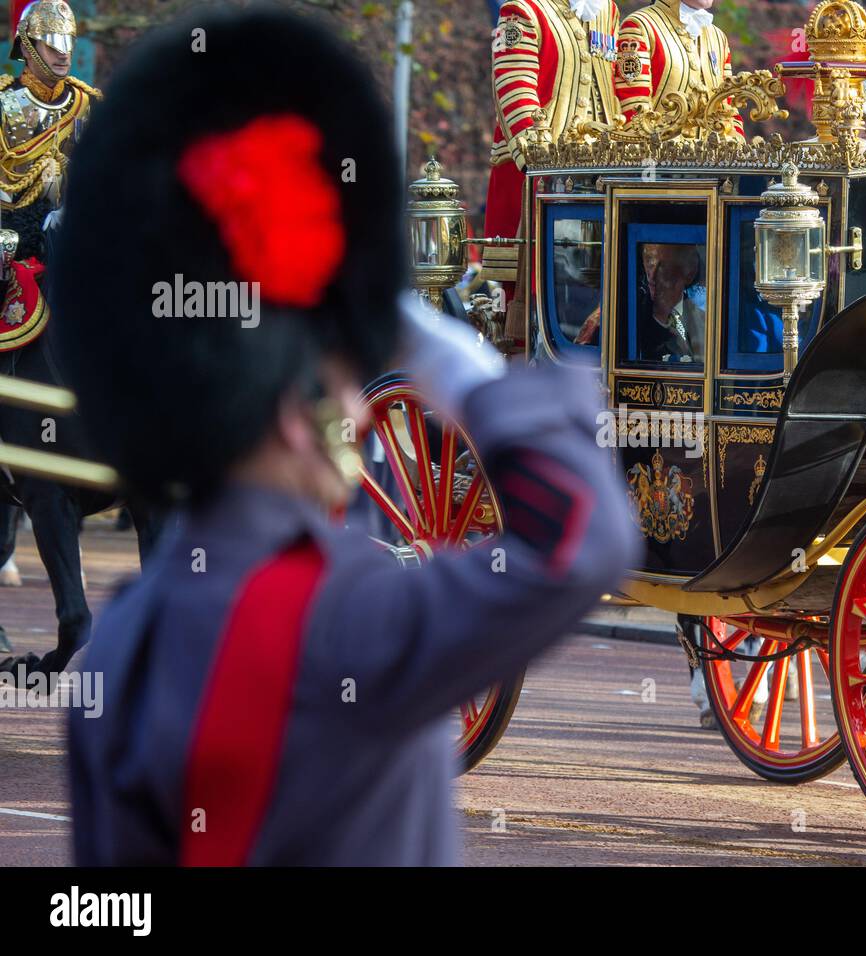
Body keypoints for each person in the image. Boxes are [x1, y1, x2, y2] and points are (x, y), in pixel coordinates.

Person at [54, 7, 638, 866]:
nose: (364, 414)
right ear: (297, 411)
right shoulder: (351, 612)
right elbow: (584, 540)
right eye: (342, 388)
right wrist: (464, 368)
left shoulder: (122, 643)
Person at [485, 0, 621, 304]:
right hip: (537, 181)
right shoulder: (521, 11)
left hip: (601, 179)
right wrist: (545, 167)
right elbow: (515, 92)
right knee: (531, 299)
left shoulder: (607, 11)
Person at [0, 0, 96, 346]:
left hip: (71, 237)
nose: (63, 53)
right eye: (53, 44)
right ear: (27, 46)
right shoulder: (3, 103)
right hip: (10, 237)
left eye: (68, 42)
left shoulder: (86, 104)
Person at [614, 0, 742, 137]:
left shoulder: (718, 37)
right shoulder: (640, 26)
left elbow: (730, 111)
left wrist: (737, 147)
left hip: (712, 155)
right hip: (656, 153)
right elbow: (634, 113)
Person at [637, 242, 705, 362]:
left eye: (663, 266)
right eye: (649, 262)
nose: (651, 276)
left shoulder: (706, 321)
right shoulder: (633, 316)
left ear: (690, 271)